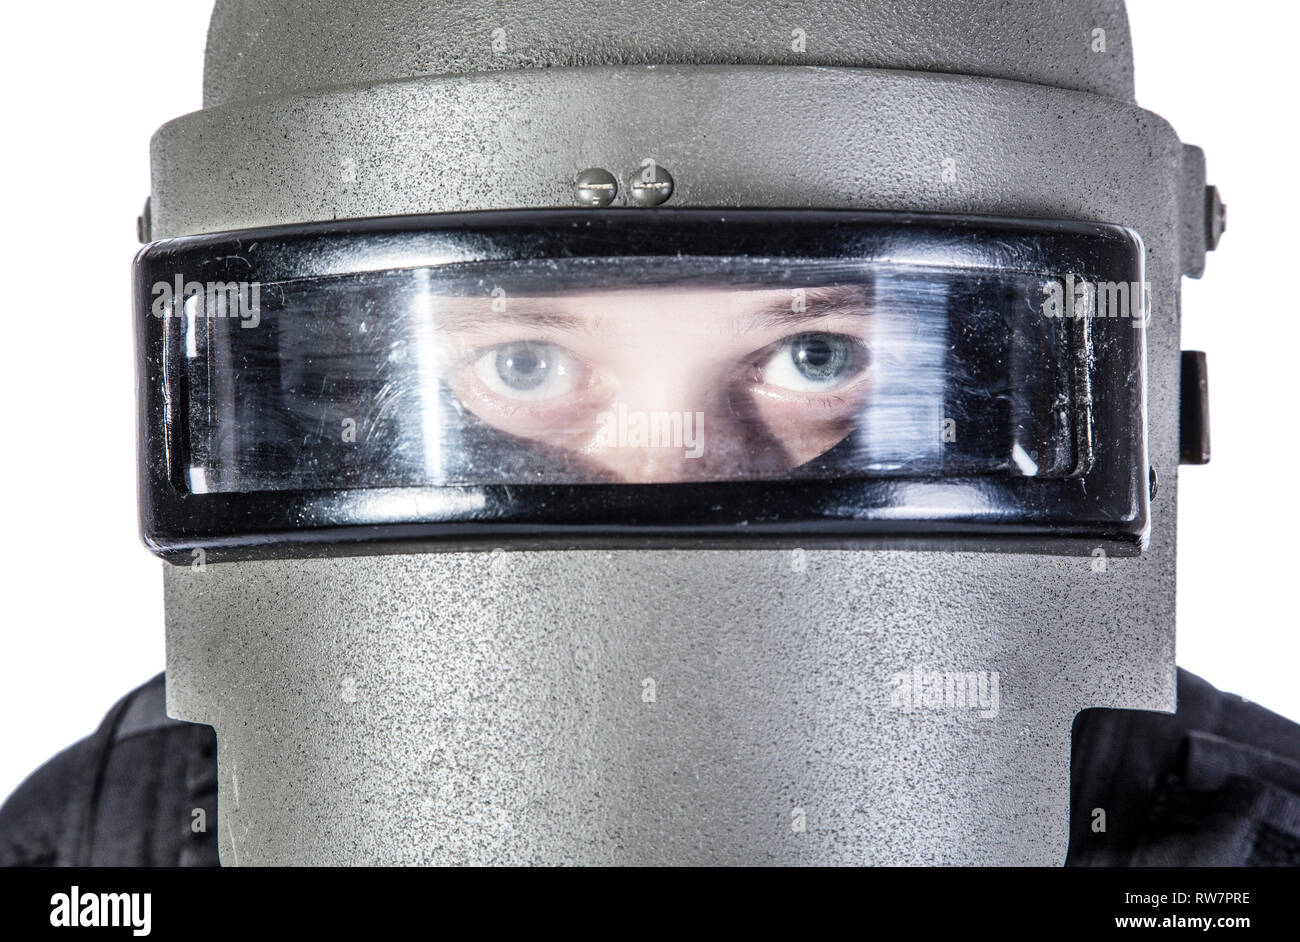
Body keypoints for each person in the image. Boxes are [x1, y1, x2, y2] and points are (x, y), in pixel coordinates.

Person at [4, 0, 1297, 866]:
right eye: (525, 359)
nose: (660, 455)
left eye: (815, 353)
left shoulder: (1253, 842)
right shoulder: (91, 851)